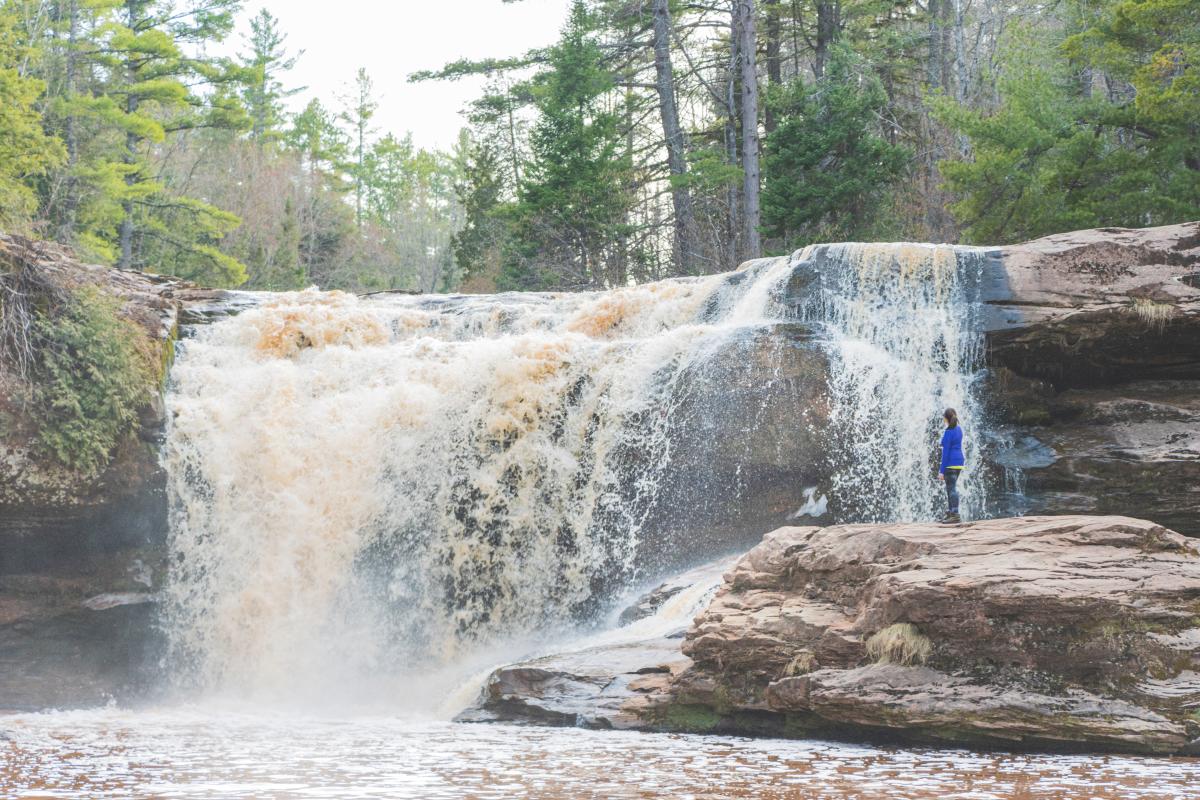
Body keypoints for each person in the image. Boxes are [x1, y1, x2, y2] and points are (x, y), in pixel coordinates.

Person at [937, 407, 965, 524]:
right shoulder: (959, 429)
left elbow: (946, 453)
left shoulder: (948, 432)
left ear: (945, 418)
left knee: (951, 488)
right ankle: (950, 513)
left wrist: (941, 471)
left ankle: (955, 514)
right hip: (959, 462)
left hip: (950, 462)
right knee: (951, 488)